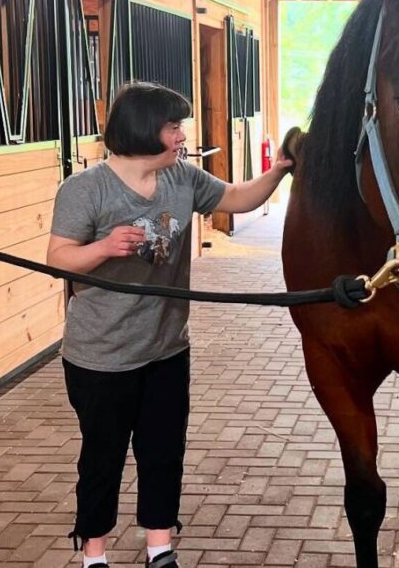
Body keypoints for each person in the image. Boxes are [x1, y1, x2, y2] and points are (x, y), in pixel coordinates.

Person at [47, 81, 292, 568]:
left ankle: (160, 546)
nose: (182, 135)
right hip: (101, 354)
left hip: (165, 348)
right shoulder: (84, 189)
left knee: (163, 450)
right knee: (104, 456)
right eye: (174, 125)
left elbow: (239, 198)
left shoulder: (183, 178)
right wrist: (102, 248)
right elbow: (57, 260)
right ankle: (93, 552)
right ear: (144, 129)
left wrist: (280, 169)